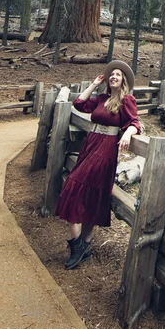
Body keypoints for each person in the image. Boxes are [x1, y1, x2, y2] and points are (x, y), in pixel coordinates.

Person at [56, 59, 141, 269]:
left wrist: (127, 134)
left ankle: (77, 246)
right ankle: (83, 245)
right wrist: (94, 84)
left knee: (74, 188)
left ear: (123, 81)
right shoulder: (102, 98)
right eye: (111, 74)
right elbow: (79, 104)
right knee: (83, 192)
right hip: (90, 146)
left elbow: (134, 122)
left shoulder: (127, 100)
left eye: (118, 75)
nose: (113, 77)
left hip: (105, 150)